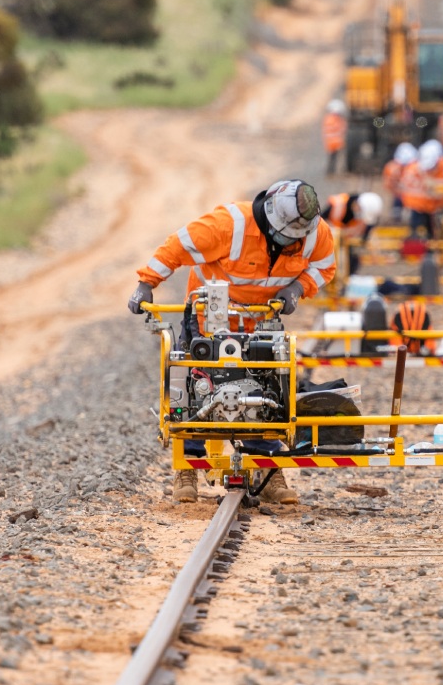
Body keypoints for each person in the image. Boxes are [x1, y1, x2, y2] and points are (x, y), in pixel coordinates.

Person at [130, 180, 336, 504]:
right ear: (269, 215)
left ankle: (268, 469)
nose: (288, 243)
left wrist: (297, 289)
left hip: (261, 323)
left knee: (267, 394)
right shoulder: (229, 225)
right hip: (207, 320)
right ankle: (187, 466)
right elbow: (176, 246)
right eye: (284, 236)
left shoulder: (315, 234)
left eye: (294, 239)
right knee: (194, 388)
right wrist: (145, 283)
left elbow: (326, 267)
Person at [382, 141, 418, 216]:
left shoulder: (417, 167)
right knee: (397, 206)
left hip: (414, 197)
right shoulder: (391, 168)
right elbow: (389, 185)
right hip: (399, 195)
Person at [322, 99, 347, 174]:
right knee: (334, 158)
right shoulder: (335, 120)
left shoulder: (328, 118)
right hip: (335, 143)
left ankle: (331, 171)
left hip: (331, 143)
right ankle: (331, 171)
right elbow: (341, 129)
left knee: (333, 158)